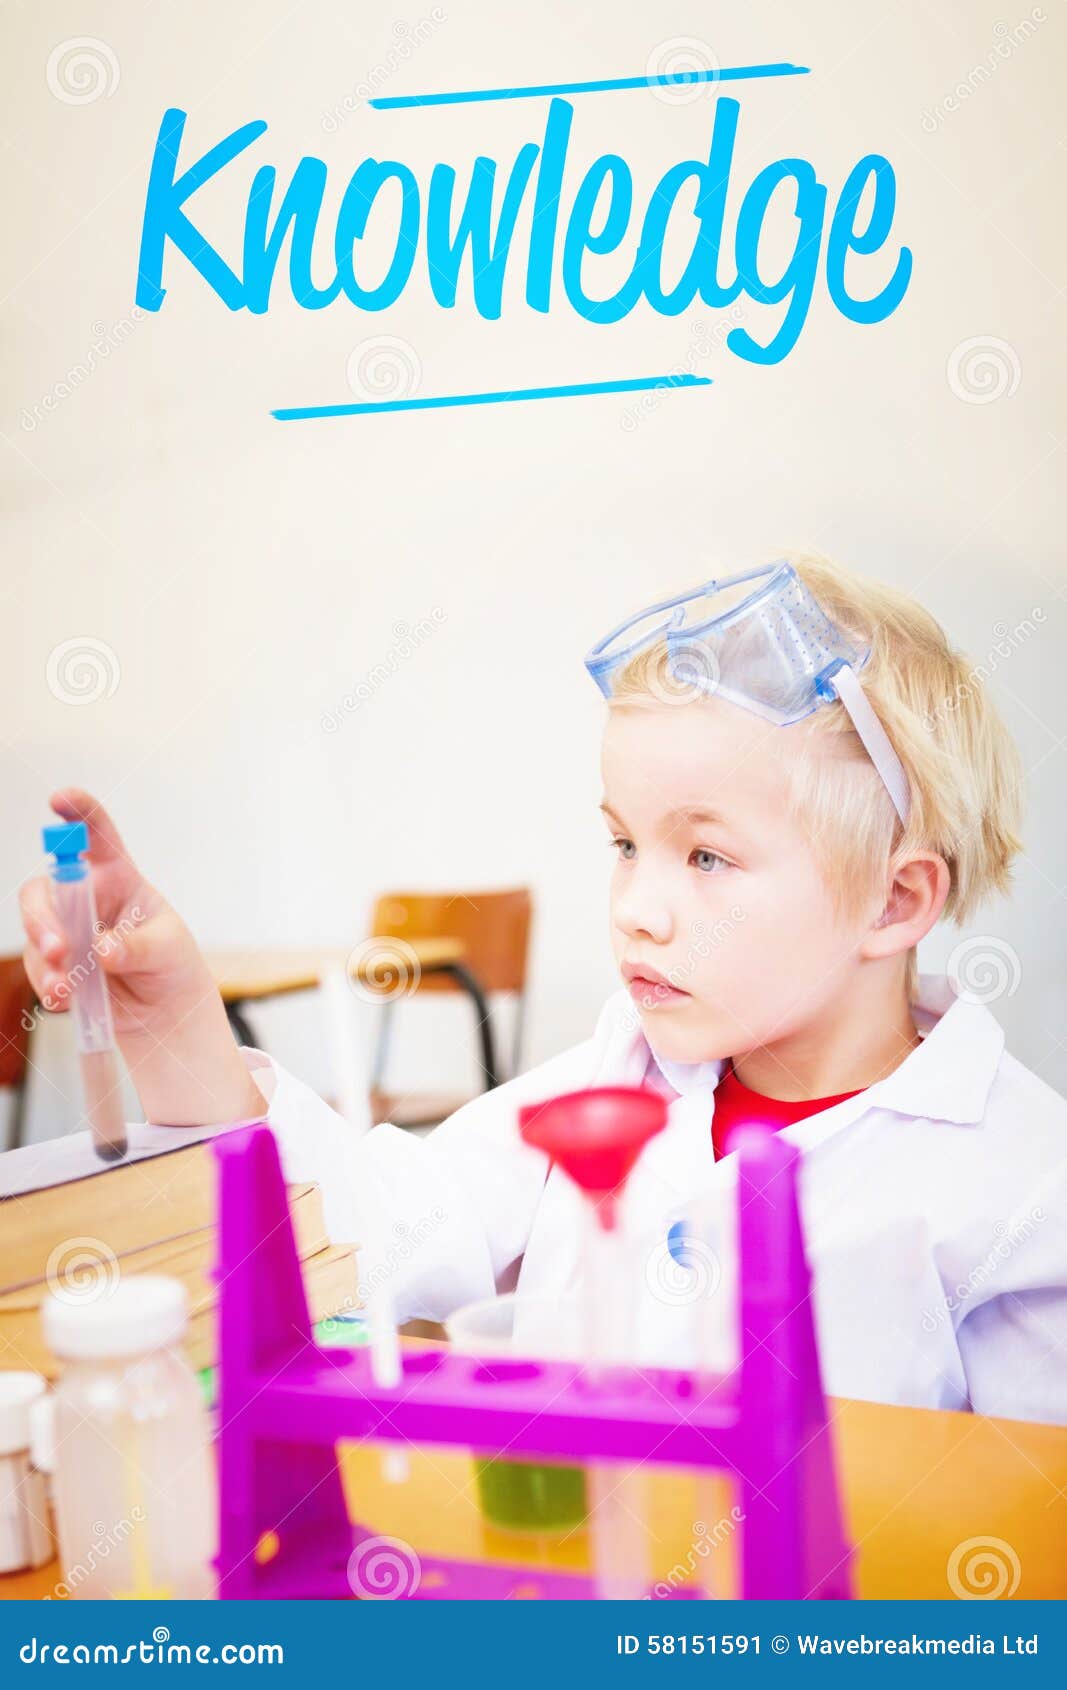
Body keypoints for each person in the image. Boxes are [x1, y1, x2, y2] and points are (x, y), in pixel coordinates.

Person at [19, 555, 1067, 1423]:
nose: (633, 909)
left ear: (891, 904)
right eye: (622, 843)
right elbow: (368, 1228)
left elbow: (1030, 1523)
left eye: (704, 857)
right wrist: (171, 1021)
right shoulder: (610, 1083)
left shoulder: (1019, 1180)